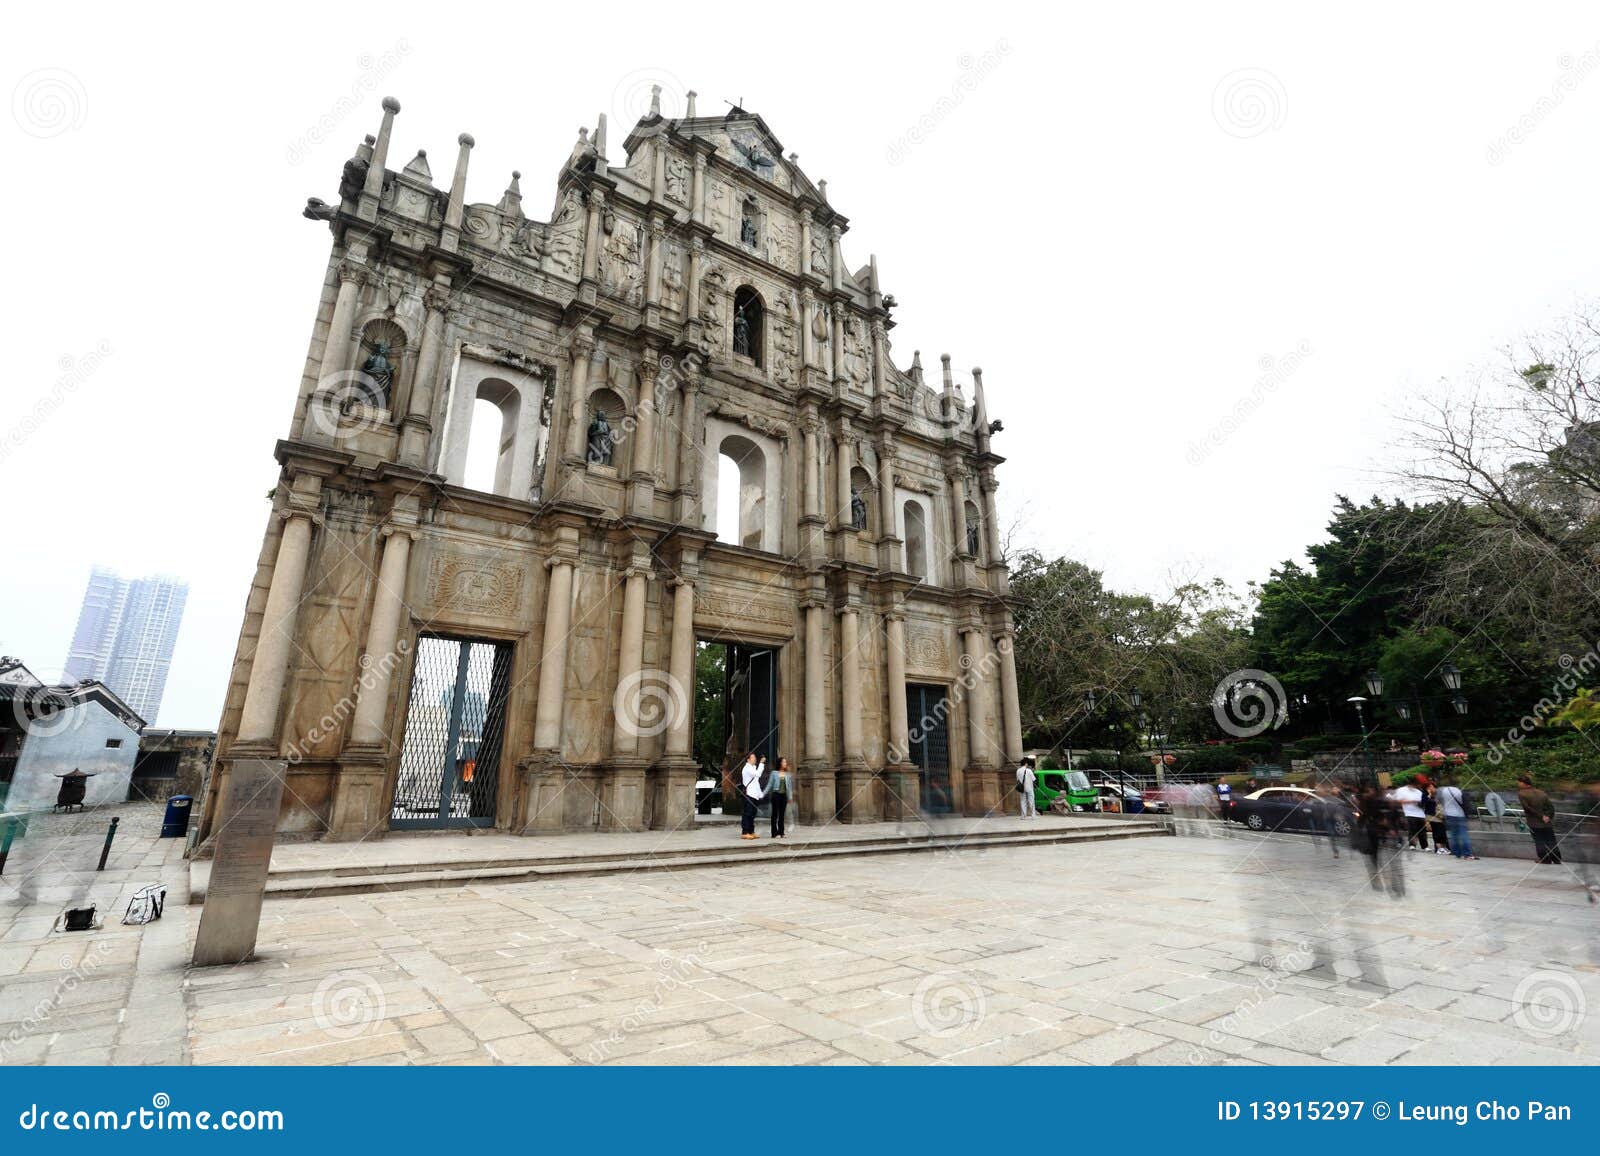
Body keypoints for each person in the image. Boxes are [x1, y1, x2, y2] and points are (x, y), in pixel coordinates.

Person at [1516, 775, 1562, 864]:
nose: (1518, 784)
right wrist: (1548, 816)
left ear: (1523, 783)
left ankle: (1545, 859)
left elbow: (1527, 808)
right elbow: (1551, 807)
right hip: (1547, 822)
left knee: (1539, 840)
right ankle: (1557, 859)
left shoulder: (1522, 794)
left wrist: (1541, 817)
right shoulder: (1542, 793)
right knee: (1551, 840)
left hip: (1534, 822)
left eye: (1519, 782)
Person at [1437, 775, 1476, 860]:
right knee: (1463, 835)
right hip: (1460, 815)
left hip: (1449, 815)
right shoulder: (1459, 791)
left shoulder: (1441, 790)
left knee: (1454, 835)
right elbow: (1465, 803)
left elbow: (1438, 801)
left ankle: (1457, 853)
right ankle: (1467, 854)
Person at [1389, 780, 1428, 850]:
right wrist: (1411, 801)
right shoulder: (1401, 790)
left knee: (1422, 831)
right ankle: (1412, 845)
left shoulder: (1418, 791)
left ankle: (1425, 846)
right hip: (1409, 813)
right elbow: (1394, 799)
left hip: (1421, 814)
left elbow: (1423, 802)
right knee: (1412, 830)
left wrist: (1421, 803)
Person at [739, 753, 764, 840]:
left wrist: (760, 793)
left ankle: (751, 831)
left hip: (754, 794)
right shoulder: (747, 768)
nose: (755, 759)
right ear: (748, 760)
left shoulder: (753, 768)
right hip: (749, 794)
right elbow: (758, 774)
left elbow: (756, 782)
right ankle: (745, 832)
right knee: (747, 813)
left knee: (752, 814)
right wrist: (761, 764)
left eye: (755, 757)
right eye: (753, 757)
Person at [770, 757, 792, 839]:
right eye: (784, 762)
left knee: (782, 815)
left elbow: (789, 787)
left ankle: (781, 832)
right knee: (775, 815)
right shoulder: (774, 773)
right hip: (776, 795)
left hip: (783, 796)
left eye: (786, 762)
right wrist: (763, 793)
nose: (785, 764)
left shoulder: (787, 774)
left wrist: (790, 797)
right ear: (780, 763)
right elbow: (770, 784)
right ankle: (774, 833)